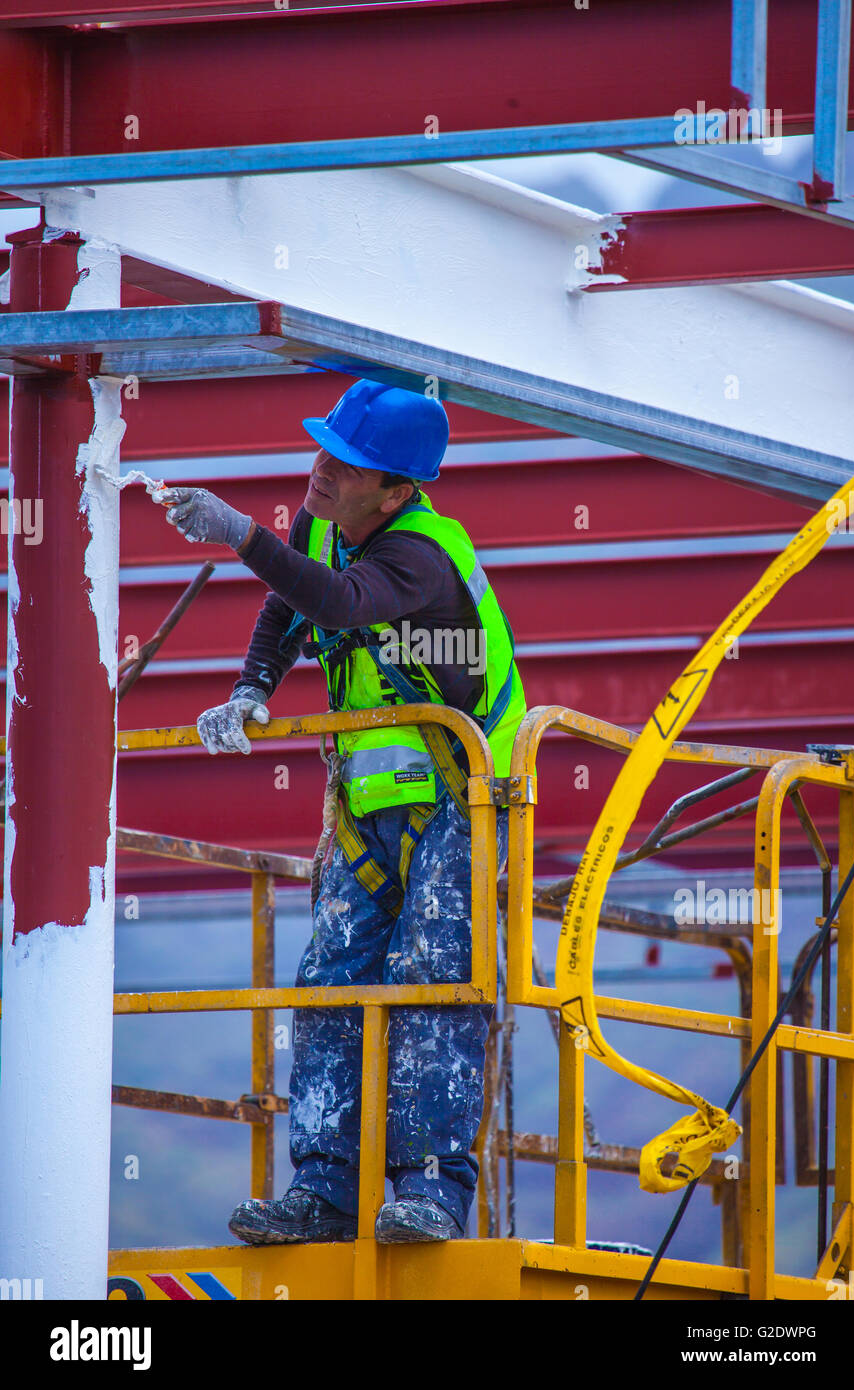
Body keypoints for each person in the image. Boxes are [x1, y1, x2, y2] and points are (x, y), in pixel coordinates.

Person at [162, 378, 526, 1244]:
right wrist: (252, 688)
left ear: (397, 491)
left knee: (431, 983)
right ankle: (325, 1193)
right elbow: (290, 604)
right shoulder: (328, 524)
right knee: (328, 985)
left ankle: (431, 1193)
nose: (322, 470)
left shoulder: (422, 555)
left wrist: (239, 534)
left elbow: (342, 603)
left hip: (464, 799)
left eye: (348, 463)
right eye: (324, 449)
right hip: (371, 807)